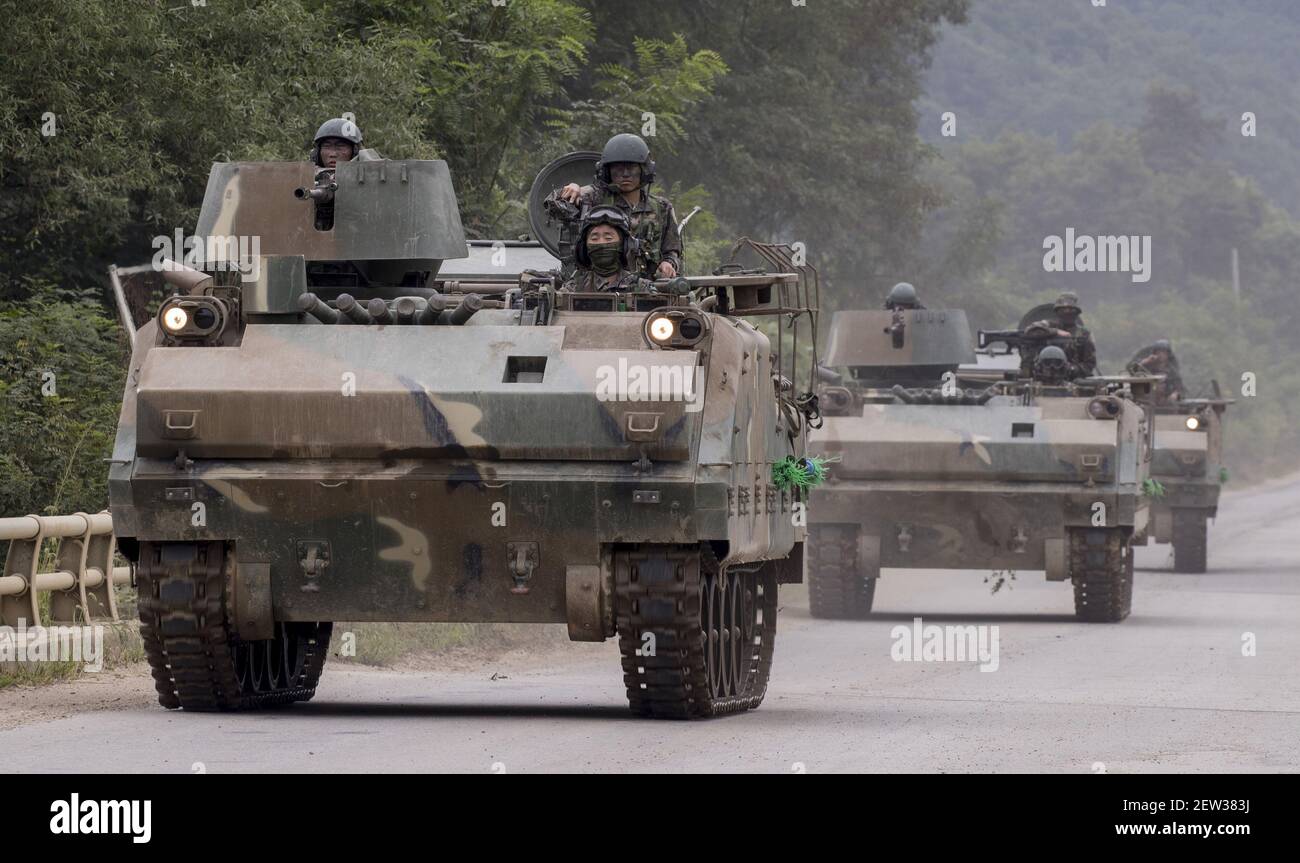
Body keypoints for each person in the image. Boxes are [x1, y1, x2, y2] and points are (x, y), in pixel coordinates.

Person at [550, 133, 683, 279]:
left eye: (632, 168)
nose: (625, 175)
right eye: (618, 169)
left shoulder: (661, 208)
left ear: (644, 171)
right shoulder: (592, 199)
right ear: (607, 171)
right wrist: (570, 190)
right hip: (597, 287)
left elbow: (673, 250)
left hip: (648, 288)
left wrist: (668, 263)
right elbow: (554, 206)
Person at [561, 207, 655, 293]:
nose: (601, 243)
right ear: (584, 248)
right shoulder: (575, 287)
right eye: (594, 238)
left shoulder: (641, 287)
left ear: (624, 245)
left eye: (608, 238)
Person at [1019, 291, 1098, 378]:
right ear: (1057, 311)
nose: (1067, 312)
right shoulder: (1048, 325)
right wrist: (1055, 332)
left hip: (1071, 379)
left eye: (1071, 310)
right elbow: (1030, 331)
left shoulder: (1084, 335)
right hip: (1040, 376)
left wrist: (1070, 368)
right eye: (1063, 310)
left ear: (1077, 312)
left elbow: (1089, 365)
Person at [1134, 339, 1184, 404]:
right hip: (1148, 399)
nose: (1161, 355)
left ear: (1168, 354)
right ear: (1155, 353)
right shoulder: (1148, 367)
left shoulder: (1172, 371)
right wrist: (1146, 361)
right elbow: (1133, 370)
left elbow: (1180, 388)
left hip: (1166, 400)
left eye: (1164, 352)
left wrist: (1175, 394)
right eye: (1159, 352)